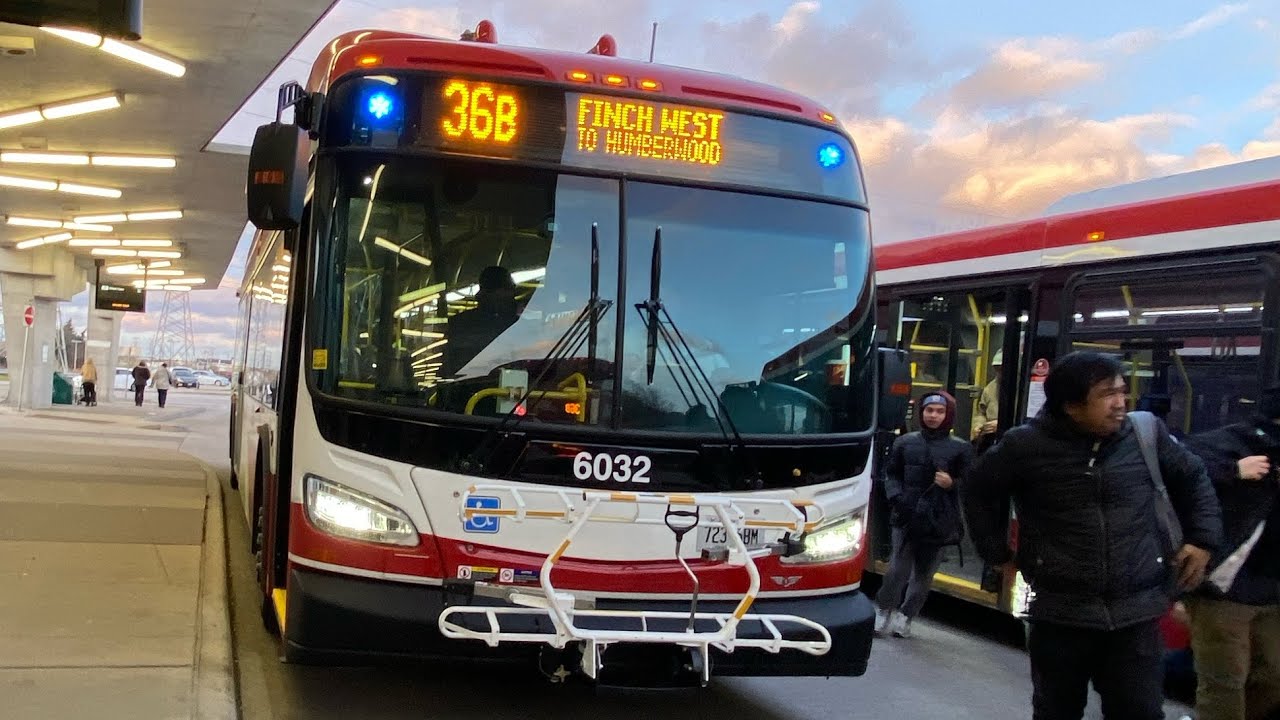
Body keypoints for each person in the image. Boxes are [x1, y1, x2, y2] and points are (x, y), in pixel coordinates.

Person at [963, 351, 1222, 720]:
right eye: (1106, 394)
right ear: (1071, 406)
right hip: (1060, 613)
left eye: (1121, 391)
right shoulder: (1025, 446)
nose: (1120, 403)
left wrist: (1203, 539)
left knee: (1140, 713)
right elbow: (976, 490)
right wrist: (998, 555)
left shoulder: (1146, 434)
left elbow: (1194, 477)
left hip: (1136, 613)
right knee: (1057, 712)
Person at [1182, 385, 1280, 720]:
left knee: (1272, 677)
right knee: (1224, 681)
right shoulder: (1235, 442)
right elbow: (1179, 469)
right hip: (1225, 589)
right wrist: (1234, 471)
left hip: (1272, 588)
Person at [874, 391, 973, 639]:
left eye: (940, 412)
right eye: (929, 410)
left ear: (948, 415)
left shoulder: (961, 448)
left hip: (939, 521)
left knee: (924, 574)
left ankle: (906, 616)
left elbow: (972, 483)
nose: (933, 416)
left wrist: (951, 483)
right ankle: (884, 610)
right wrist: (896, 498)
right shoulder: (904, 443)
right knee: (897, 570)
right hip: (906, 517)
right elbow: (891, 474)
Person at [443, 266, 520, 377]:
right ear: (497, 291)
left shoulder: (457, 323)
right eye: (509, 288)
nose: (513, 294)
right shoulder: (515, 325)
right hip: (502, 385)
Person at [971, 349, 1001, 440]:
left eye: (1002, 368)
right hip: (991, 437)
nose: (999, 372)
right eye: (997, 368)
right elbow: (981, 412)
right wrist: (978, 425)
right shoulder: (989, 389)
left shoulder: (1023, 388)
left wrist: (1001, 425)